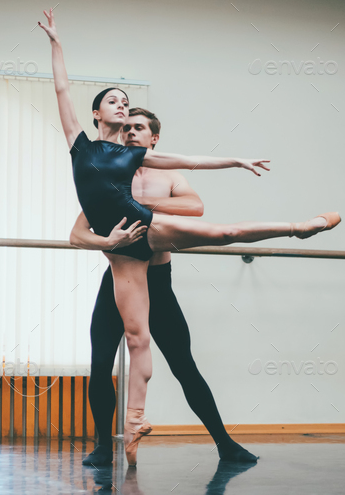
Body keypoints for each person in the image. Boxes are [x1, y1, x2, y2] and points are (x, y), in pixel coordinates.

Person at [37, 8, 341, 466]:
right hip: (122, 259)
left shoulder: (139, 162)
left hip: (150, 242)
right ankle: (117, 439)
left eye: (131, 108)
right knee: (124, 349)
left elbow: (194, 162)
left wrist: (238, 161)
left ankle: (300, 226)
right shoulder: (83, 147)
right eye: (115, 102)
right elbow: (61, 91)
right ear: (97, 112)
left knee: (224, 237)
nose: (124, 109)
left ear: (151, 138)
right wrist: (57, 44)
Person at [70, 107, 258, 466]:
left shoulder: (167, 175)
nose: (130, 133)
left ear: (153, 139)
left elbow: (195, 206)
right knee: (100, 364)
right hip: (120, 280)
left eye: (138, 128)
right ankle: (101, 448)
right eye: (125, 128)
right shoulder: (107, 177)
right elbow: (79, 232)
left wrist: (139, 205)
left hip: (157, 280)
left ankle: (225, 444)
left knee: (183, 364)